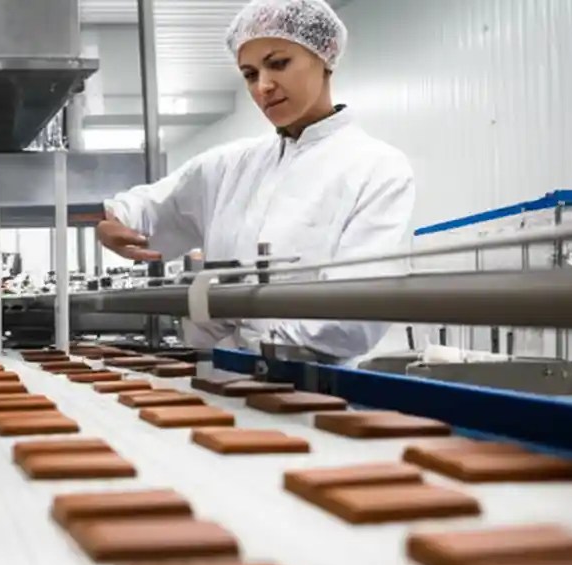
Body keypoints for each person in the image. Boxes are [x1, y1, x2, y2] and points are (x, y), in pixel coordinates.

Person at [99, 0, 415, 361]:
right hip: (218, 376)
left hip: (314, 388)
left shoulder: (376, 167)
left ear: (324, 57)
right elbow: (151, 208)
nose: (263, 86)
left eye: (279, 63)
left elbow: (356, 316)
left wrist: (244, 345)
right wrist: (116, 221)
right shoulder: (230, 165)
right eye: (250, 74)